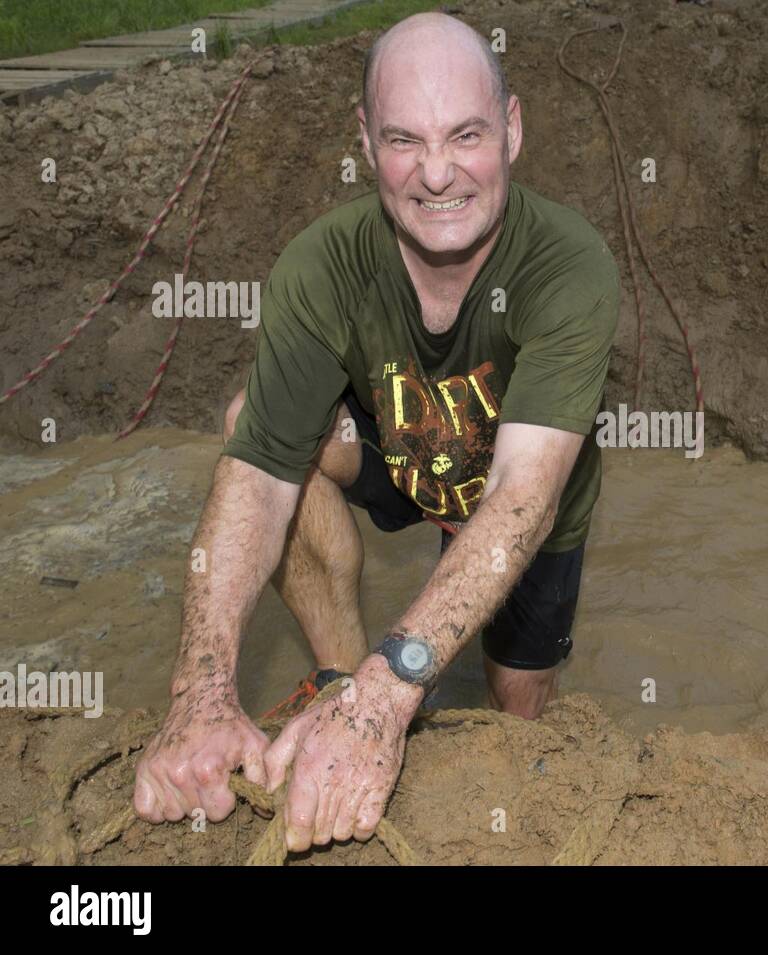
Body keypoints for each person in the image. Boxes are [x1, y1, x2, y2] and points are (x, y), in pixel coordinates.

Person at [132, 11, 620, 852]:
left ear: (510, 128)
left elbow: (521, 498)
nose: (436, 174)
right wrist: (201, 691)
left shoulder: (568, 266)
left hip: (517, 499)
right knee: (255, 424)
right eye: (404, 140)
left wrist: (395, 689)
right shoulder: (322, 265)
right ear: (365, 141)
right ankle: (336, 684)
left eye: (465, 134)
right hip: (396, 453)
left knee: (517, 711)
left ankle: (391, 701)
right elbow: (255, 477)